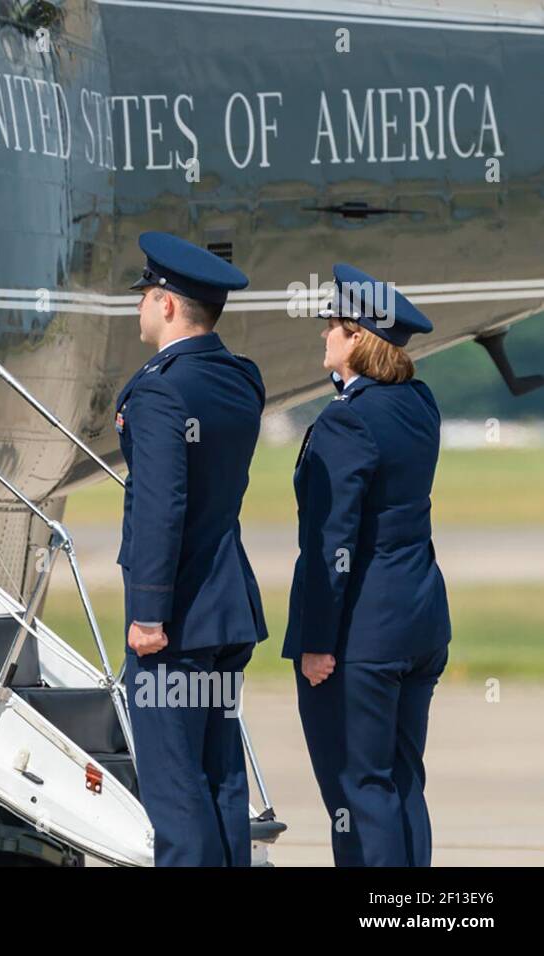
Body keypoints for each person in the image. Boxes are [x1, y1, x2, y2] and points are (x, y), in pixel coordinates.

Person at [285, 264, 450, 867]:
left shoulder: (347, 418)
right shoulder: (418, 403)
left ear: (356, 336)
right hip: (420, 620)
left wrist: (318, 640)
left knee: (359, 790)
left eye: (333, 324)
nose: (324, 335)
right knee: (402, 782)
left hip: (362, 634)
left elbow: (333, 543)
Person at [116, 231, 267, 866]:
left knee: (177, 799)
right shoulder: (239, 380)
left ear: (169, 305)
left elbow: (160, 507)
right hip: (225, 608)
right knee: (221, 783)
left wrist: (149, 611)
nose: (141, 308)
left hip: (176, 620)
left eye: (147, 296)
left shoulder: (160, 390)